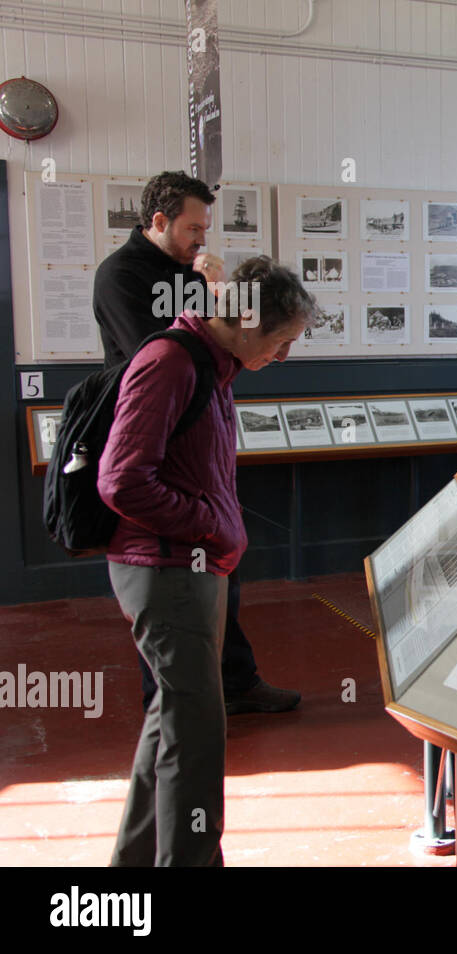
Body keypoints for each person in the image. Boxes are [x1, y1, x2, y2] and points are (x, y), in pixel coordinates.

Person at [99, 256, 315, 866]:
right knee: (195, 743)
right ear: (247, 322)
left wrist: (213, 537)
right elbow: (121, 481)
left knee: (170, 726)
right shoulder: (171, 362)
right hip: (166, 571)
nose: (282, 356)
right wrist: (208, 527)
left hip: (190, 567)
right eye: (281, 341)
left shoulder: (212, 364)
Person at [93, 171, 300, 715]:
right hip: (159, 433)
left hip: (197, 425)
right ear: (158, 221)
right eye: (193, 227)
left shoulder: (191, 273)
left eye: (206, 227)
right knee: (172, 577)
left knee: (219, 572)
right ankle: (169, 699)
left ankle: (233, 680)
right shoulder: (120, 276)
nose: (202, 239)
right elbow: (159, 354)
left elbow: (223, 337)